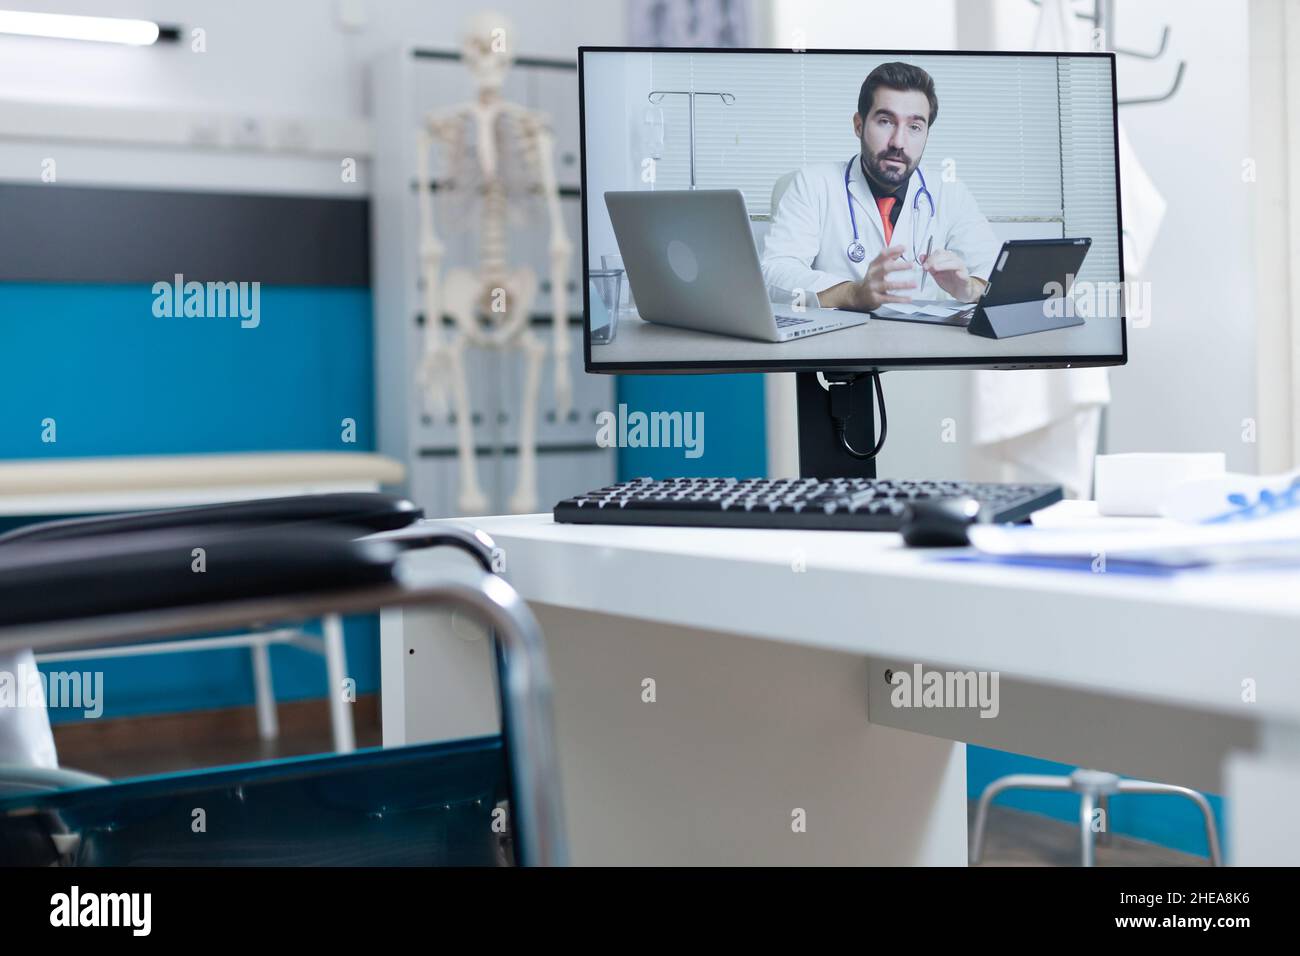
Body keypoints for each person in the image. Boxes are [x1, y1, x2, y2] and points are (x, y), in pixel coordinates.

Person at [761, 61, 1000, 313]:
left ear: (927, 134)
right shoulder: (813, 183)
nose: (899, 142)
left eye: (915, 127)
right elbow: (773, 274)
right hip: (840, 341)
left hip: (924, 343)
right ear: (859, 124)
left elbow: (997, 272)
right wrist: (853, 293)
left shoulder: (950, 192)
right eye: (885, 121)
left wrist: (970, 289)